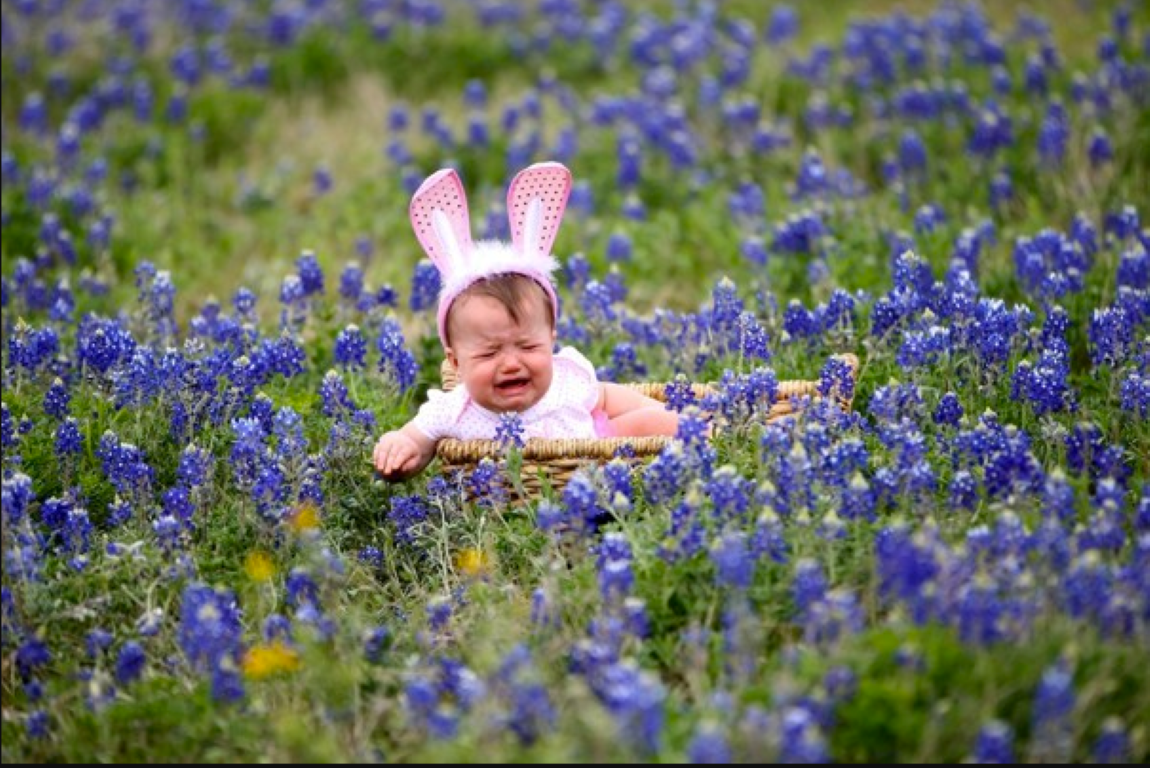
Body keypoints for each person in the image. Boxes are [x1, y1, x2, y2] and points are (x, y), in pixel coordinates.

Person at [374, 161, 680, 482]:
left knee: (659, 422)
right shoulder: (454, 409)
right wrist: (400, 448)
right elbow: (416, 440)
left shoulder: (565, 381)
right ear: (455, 361)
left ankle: (718, 429)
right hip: (504, 495)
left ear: (551, 340)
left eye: (528, 345)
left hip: (602, 461)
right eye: (489, 353)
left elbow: (607, 397)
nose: (511, 363)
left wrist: (663, 413)